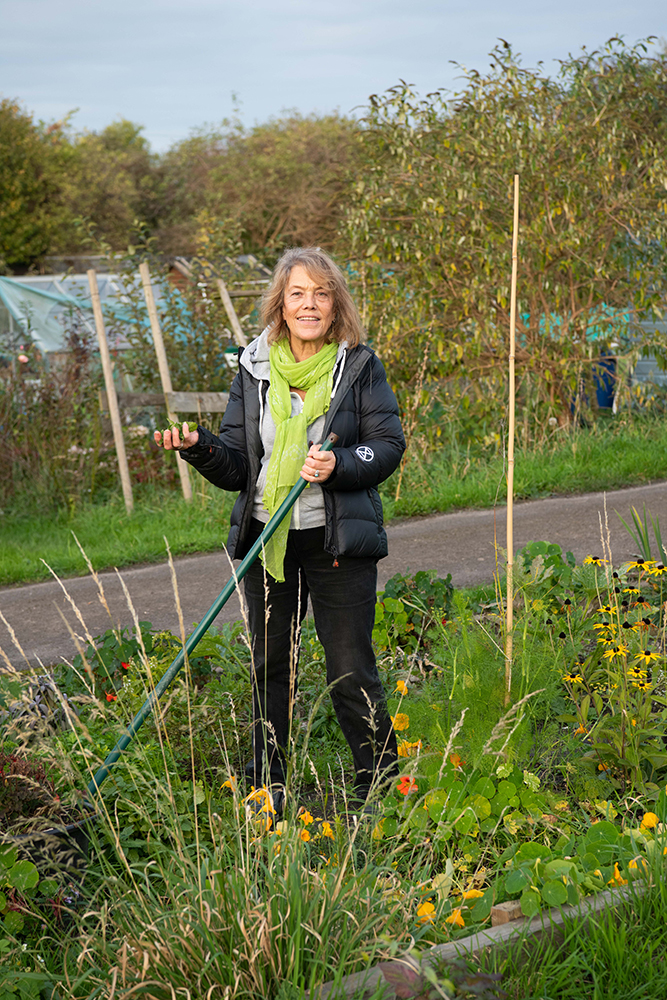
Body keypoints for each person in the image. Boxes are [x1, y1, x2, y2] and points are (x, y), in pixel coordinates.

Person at [155, 246, 406, 811]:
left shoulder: (359, 367)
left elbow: (387, 446)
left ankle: (383, 788)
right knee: (271, 667)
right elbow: (241, 467)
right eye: (298, 293)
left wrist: (341, 465)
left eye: (321, 293)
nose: (309, 304)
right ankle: (267, 784)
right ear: (281, 304)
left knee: (349, 669)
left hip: (337, 542)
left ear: (335, 303)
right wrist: (199, 449)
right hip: (269, 540)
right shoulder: (254, 368)